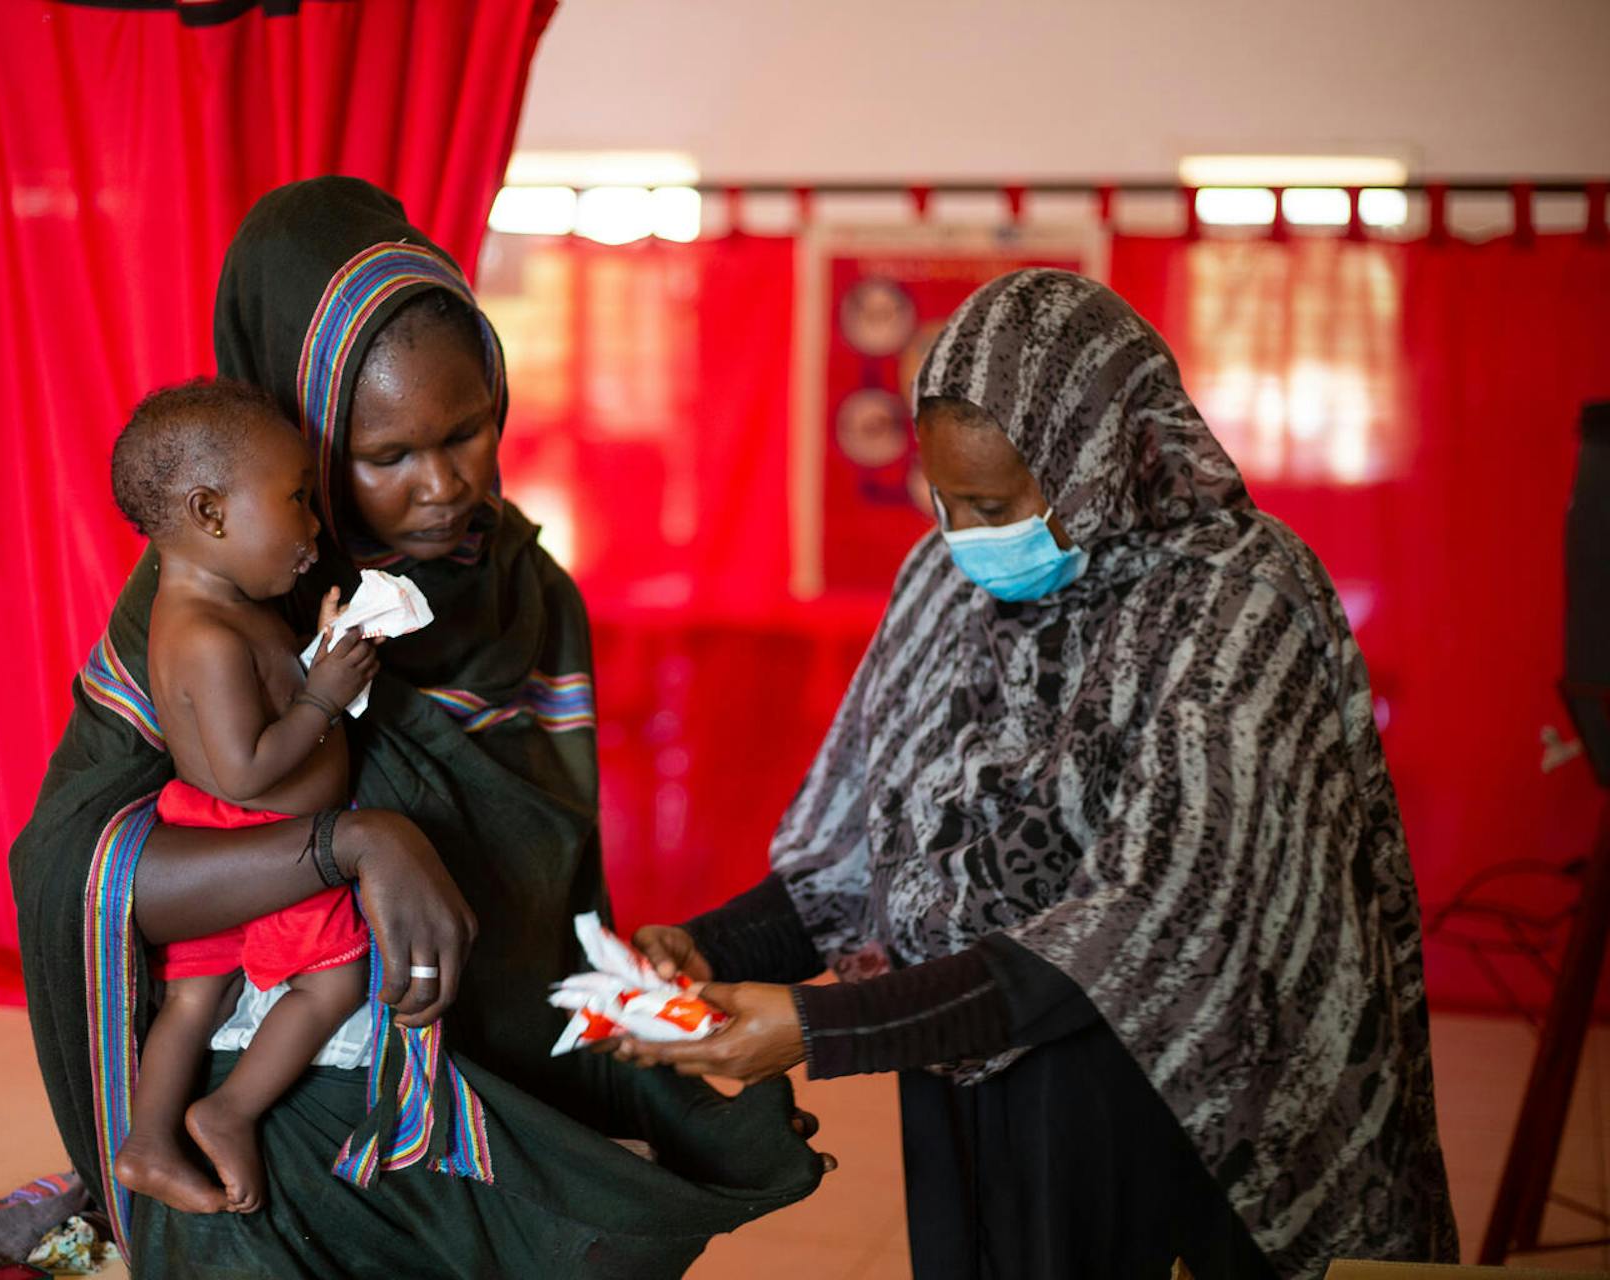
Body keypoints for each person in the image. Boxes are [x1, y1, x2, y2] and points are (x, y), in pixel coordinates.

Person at [9, 177, 825, 1280]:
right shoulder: (211, 612)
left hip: (477, 1039)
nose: (445, 485)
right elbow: (85, 872)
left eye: (470, 430)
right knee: (266, 1228)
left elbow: (543, 896)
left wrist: (627, 1007)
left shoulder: (529, 598)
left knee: (632, 1203)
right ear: (296, 433)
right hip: (286, 1079)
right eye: (385, 457)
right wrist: (354, 841)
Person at [609, 269, 1459, 1280]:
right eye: (947, 500)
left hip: (1180, 1094)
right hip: (965, 1060)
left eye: (995, 502)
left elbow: (1144, 927)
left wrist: (817, 1026)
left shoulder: (1237, 600)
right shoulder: (943, 579)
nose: (969, 535)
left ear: (1098, 460)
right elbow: (863, 852)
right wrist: (707, 947)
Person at [105, 379, 380, 1216]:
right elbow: (246, 770)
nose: (313, 525)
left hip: (227, 830)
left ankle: (147, 1145)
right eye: (297, 498)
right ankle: (229, 1109)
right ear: (211, 513)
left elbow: (271, 695)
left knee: (200, 994)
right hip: (259, 838)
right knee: (335, 982)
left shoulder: (221, 606)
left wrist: (318, 649)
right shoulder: (208, 636)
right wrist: (325, 696)